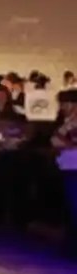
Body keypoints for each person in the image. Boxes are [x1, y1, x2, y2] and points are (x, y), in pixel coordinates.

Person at [51, 89, 77, 257]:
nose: (62, 107)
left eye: (65, 103)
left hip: (74, 168)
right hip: (67, 166)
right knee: (69, 209)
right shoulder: (68, 121)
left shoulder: (74, 123)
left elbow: (66, 141)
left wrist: (63, 142)